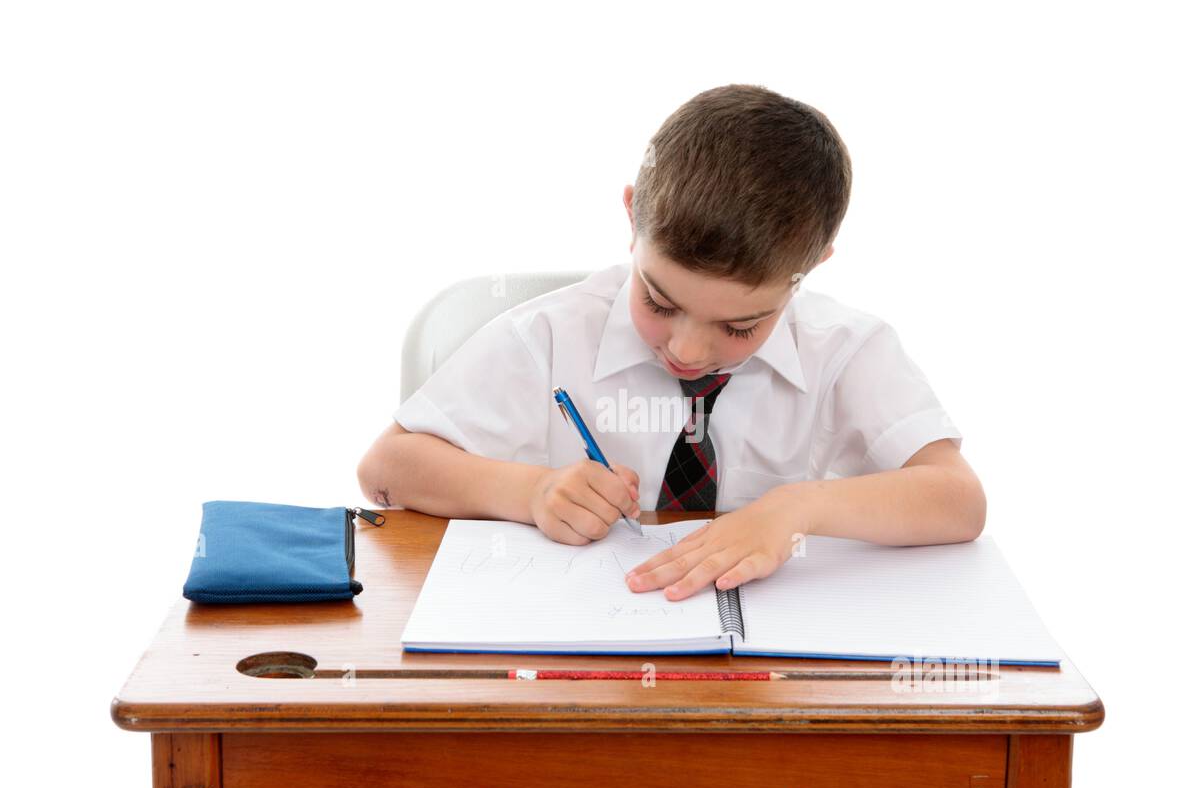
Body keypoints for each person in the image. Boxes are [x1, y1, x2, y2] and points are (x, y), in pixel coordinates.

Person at [357, 83, 985, 601]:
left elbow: (959, 501)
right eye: (659, 302)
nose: (686, 351)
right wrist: (530, 491)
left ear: (812, 268)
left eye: (739, 327)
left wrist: (795, 510)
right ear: (632, 219)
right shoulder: (548, 335)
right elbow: (386, 467)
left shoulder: (847, 350)